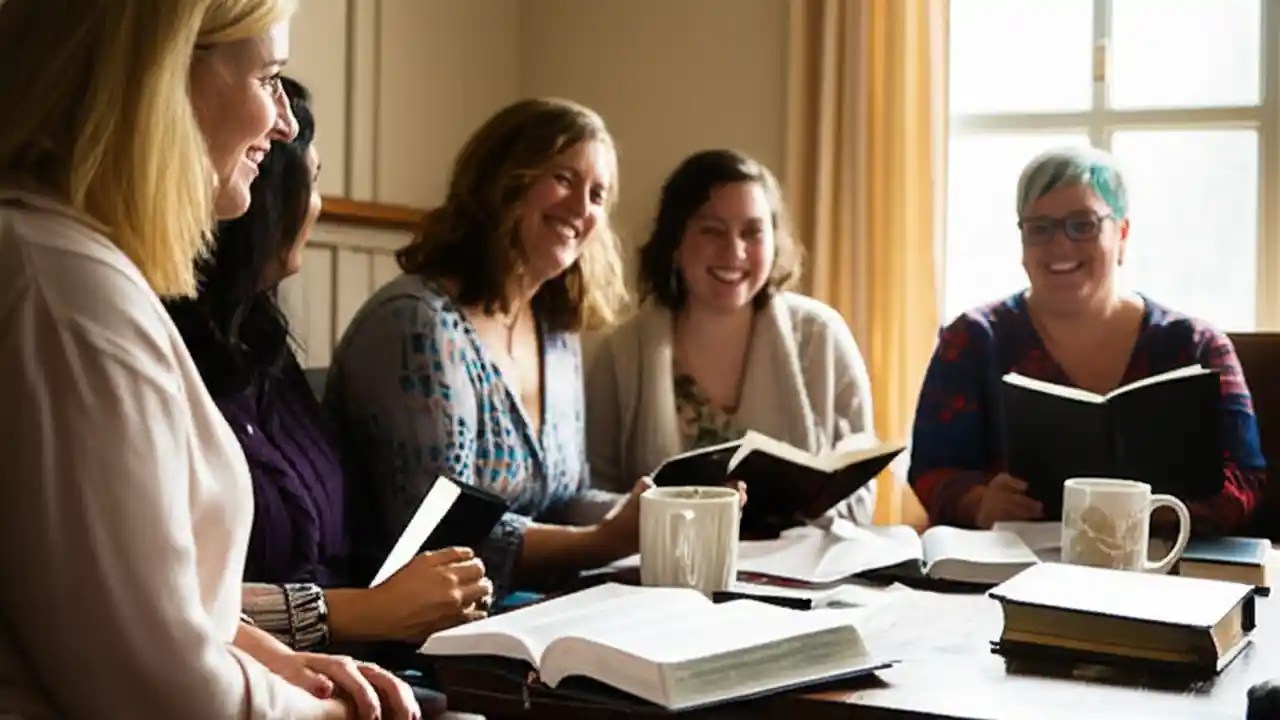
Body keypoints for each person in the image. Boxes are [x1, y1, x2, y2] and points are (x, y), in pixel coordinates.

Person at [0, 2, 415, 718]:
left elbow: (115, 610)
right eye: (269, 78)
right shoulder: (64, 292)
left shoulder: (71, 272)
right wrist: (328, 712)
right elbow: (150, 693)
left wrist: (262, 652)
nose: (284, 123)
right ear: (161, 81)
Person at [165, 76, 489, 713]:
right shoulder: (160, 348)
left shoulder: (264, 347)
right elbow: (174, 601)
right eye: (311, 182)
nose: (318, 205)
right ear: (267, 197)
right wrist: (362, 613)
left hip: (348, 663)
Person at [325, 98, 657, 598]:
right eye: (564, 179)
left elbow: (564, 499)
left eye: (597, 195)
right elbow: (443, 538)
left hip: (534, 611)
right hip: (417, 636)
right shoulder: (419, 325)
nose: (581, 208)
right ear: (502, 180)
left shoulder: (555, 329)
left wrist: (650, 512)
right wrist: (602, 541)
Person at [908, 146, 1265, 536]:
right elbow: (930, 469)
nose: (1060, 246)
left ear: (1122, 234)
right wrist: (979, 504)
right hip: (1008, 573)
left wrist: (1145, 517)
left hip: (1166, 572)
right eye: (1039, 227)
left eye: (1083, 224)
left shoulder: (1198, 347)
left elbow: (1245, 479)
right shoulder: (973, 339)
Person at [586, 149, 877, 525]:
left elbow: (861, 488)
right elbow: (589, 493)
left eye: (752, 233)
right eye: (712, 230)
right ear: (675, 242)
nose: (734, 251)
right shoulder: (621, 354)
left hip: (802, 573)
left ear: (774, 244)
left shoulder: (822, 337)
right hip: (660, 573)